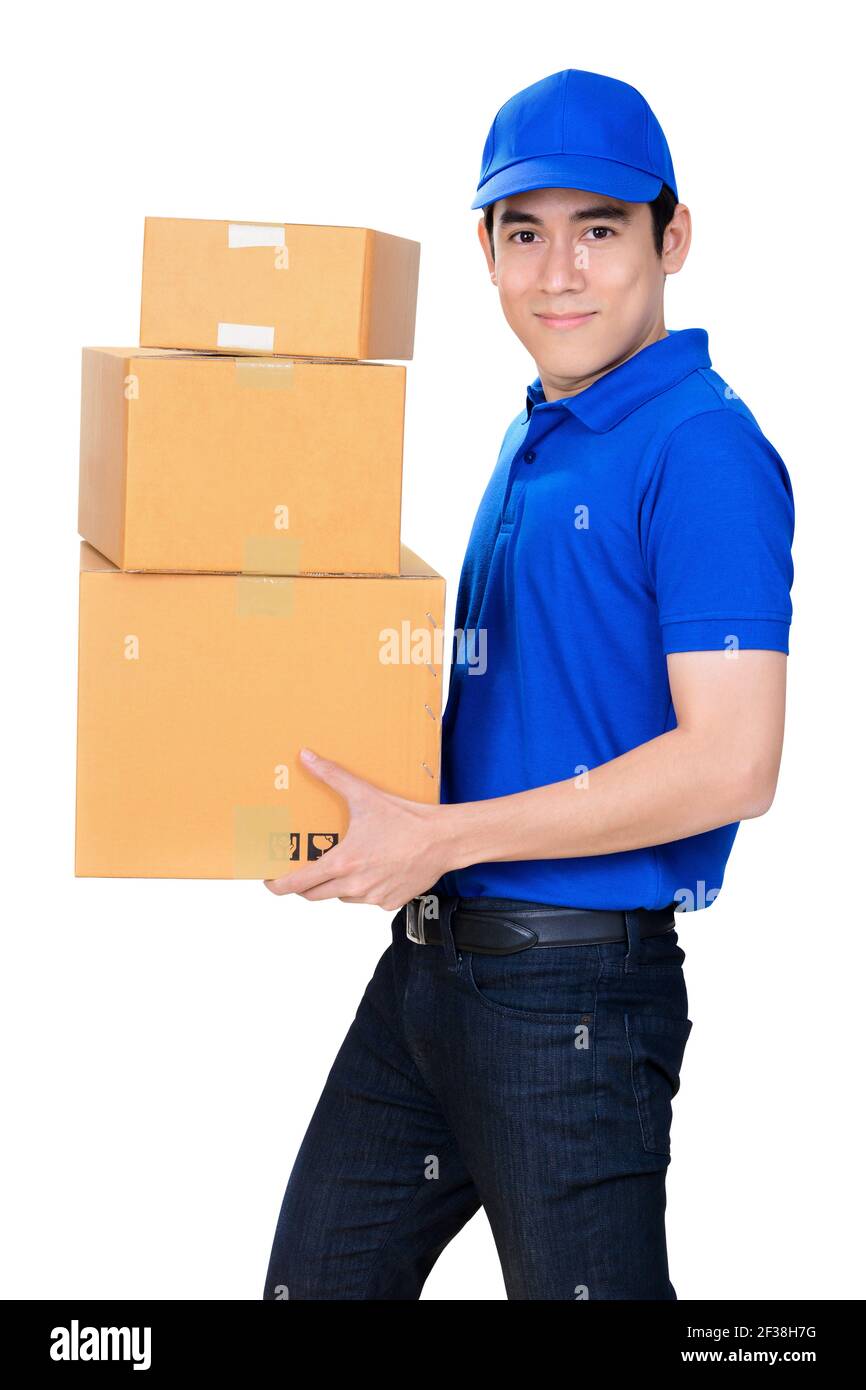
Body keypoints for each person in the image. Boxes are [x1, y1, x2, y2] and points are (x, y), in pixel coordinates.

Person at [261, 68, 795, 1300]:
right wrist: (345, 816)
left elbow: (732, 763)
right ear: (486, 253)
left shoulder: (699, 448)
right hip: (430, 973)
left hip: (569, 1004)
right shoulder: (535, 430)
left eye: (597, 229)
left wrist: (440, 835)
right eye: (523, 233)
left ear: (672, 238)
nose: (557, 271)